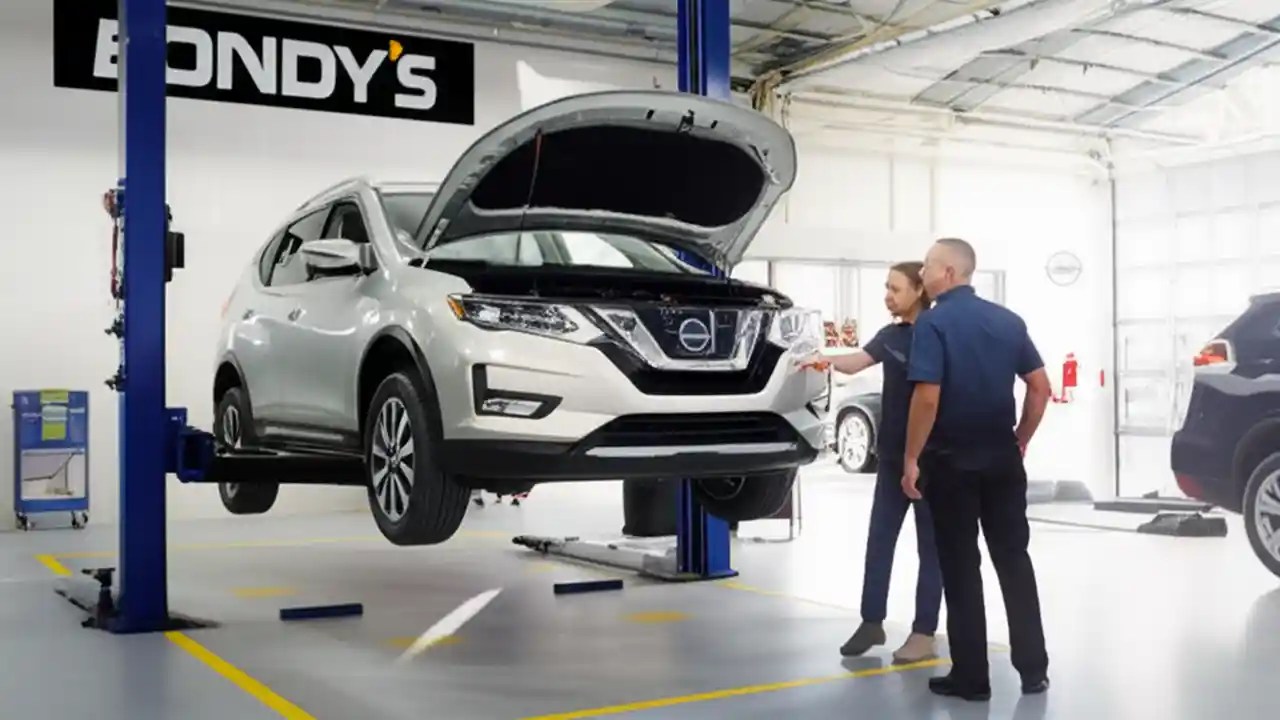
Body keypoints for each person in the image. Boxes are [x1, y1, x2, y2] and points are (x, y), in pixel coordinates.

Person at [899, 238, 1053, 701]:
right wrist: (1021, 437)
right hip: (1003, 459)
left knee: (962, 567)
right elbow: (1040, 388)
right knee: (1014, 560)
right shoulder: (1008, 321)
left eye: (927, 265)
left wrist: (910, 458)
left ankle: (972, 678)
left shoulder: (933, 323)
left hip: (951, 463)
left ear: (948, 272)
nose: (922, 272)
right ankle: (1033, 669)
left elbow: (927, 397)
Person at [799, 261, 943, 665]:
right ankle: (871, 620)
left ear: (919, 290)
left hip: (933, 460)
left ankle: (924, 631)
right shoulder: (891, 335)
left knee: (932, 548)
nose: (887, 295)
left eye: (895, 288)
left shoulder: (937, 333)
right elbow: (858, 361)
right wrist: (822, 359)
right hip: (893, 457)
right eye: (886, 287)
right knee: (880, 540)